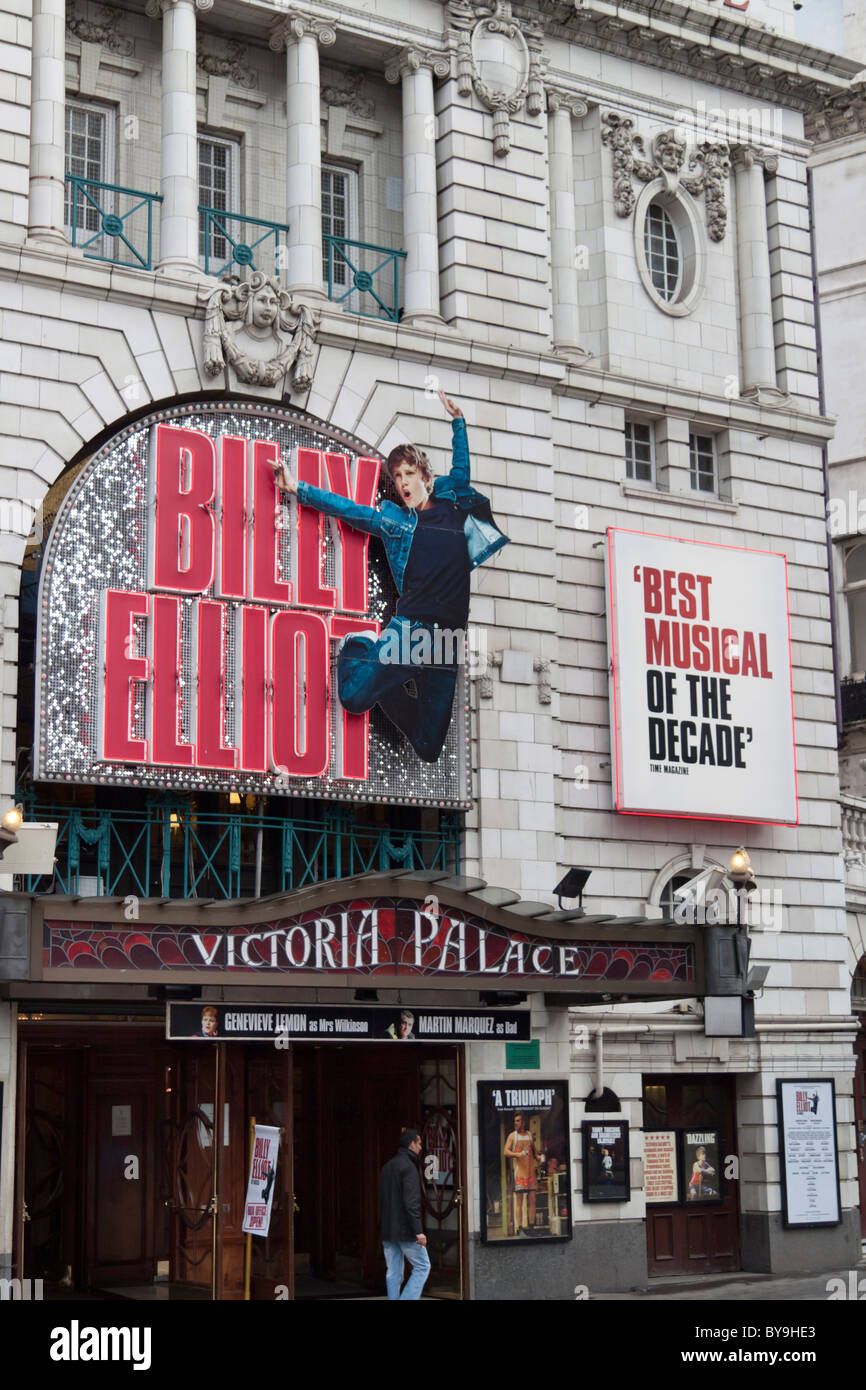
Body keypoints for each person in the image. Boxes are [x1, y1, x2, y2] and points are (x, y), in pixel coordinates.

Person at [275, 389, 508, 762]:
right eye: (397, 477)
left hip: (447, 640)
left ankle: (386, 672)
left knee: (429, 747)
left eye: (409, 474)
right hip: (412, 631)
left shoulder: (451, 503)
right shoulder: (394, 521)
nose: (403, 484)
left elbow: (462, 470)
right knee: (352, 698)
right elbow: (350, 509)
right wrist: (298, 488)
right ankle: (363, 647)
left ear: (426, 477)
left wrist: (458, 422)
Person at [378, 1128, 430, 1300]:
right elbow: (411, 1203)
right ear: (411, 1144)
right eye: (419, 1143)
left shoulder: (387, 1167)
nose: (421, 1147)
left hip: (388, 1230)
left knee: (393, 1273)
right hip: (406, 1231)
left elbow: (384, 1200)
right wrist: (419, 1231)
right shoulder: (409, 1168)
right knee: (423, 1266)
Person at [504, 1112, 538, 1236]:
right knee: (519, 1201)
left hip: (531, 1174)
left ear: (524, 1122)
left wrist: (539, 1157)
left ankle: (532, 1226)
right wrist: (517, 1154)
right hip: (519, 1174)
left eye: (518, 1121)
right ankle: (519, 1228)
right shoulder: (512, 1136)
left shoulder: (529, 1135)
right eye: (515, 1121)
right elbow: (506, 1152)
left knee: (532, 1199)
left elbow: (534, 1151)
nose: (516, 1123)